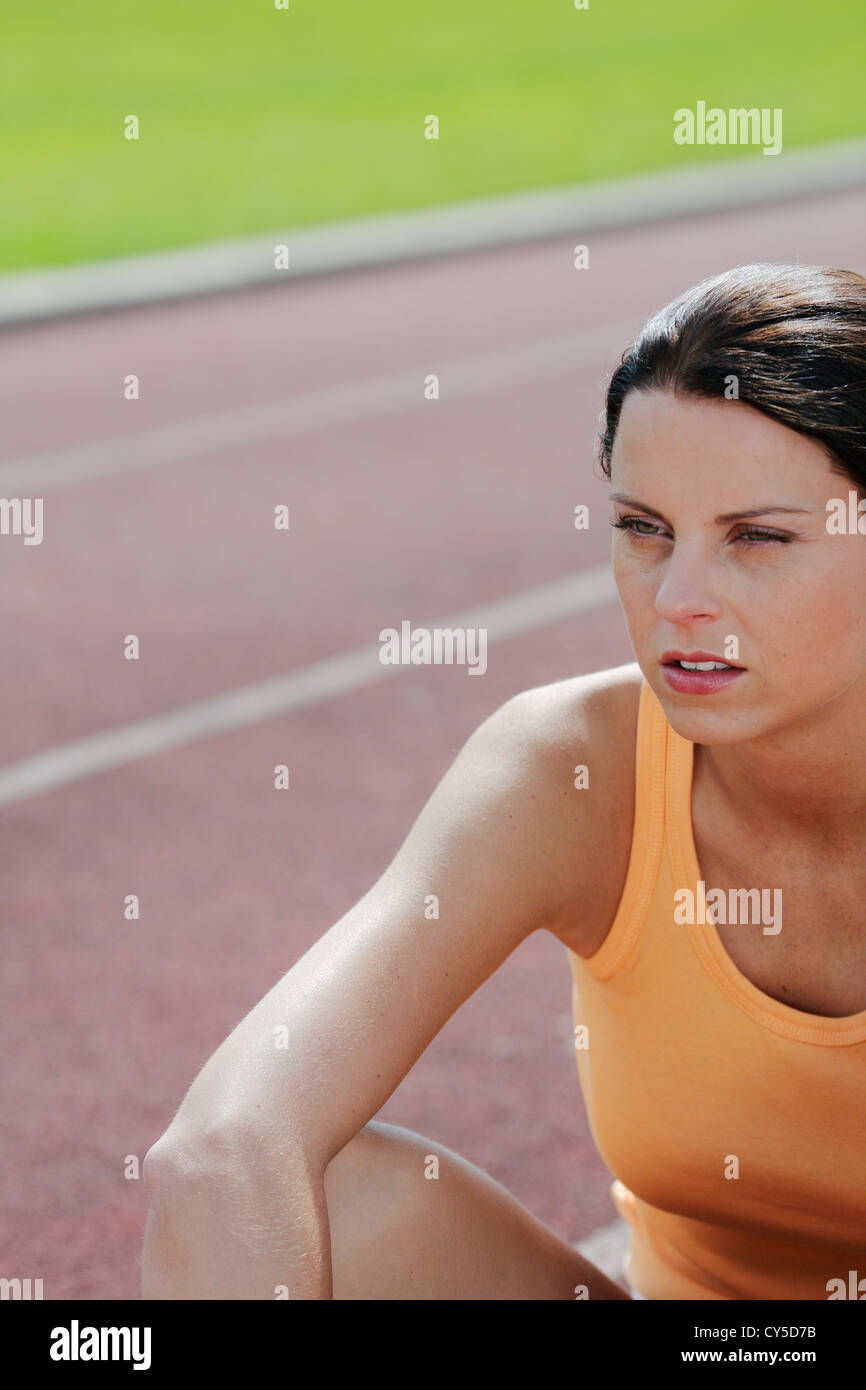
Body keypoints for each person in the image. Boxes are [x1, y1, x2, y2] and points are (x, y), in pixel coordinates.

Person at [141, 262, 866, 1300]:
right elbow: (221, 1146)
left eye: (756, 538)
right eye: (641, 528)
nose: (678, 597)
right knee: (334, 1204)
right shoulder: (571, 766)